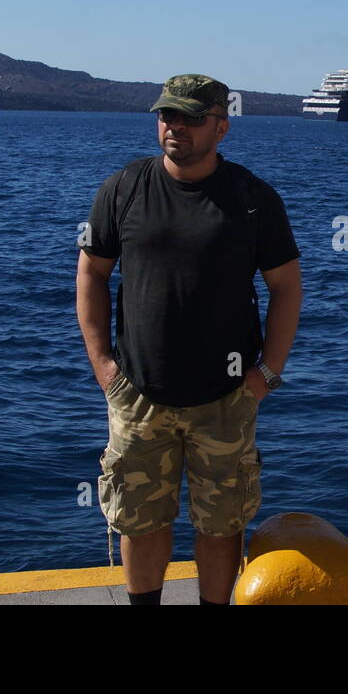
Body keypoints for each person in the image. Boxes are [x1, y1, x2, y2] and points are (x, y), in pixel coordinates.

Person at [76, 74, 301, 605]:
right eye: (167, 116)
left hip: (226, 399)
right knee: (140, 519)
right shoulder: (124, 188)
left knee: (221, 525)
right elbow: (92, 273)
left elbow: (286, 289)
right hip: (137, 393)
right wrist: (103, 366)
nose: (176, 127)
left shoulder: (252, 199)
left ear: (221, 126)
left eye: (192, 118)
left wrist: (265, 374)